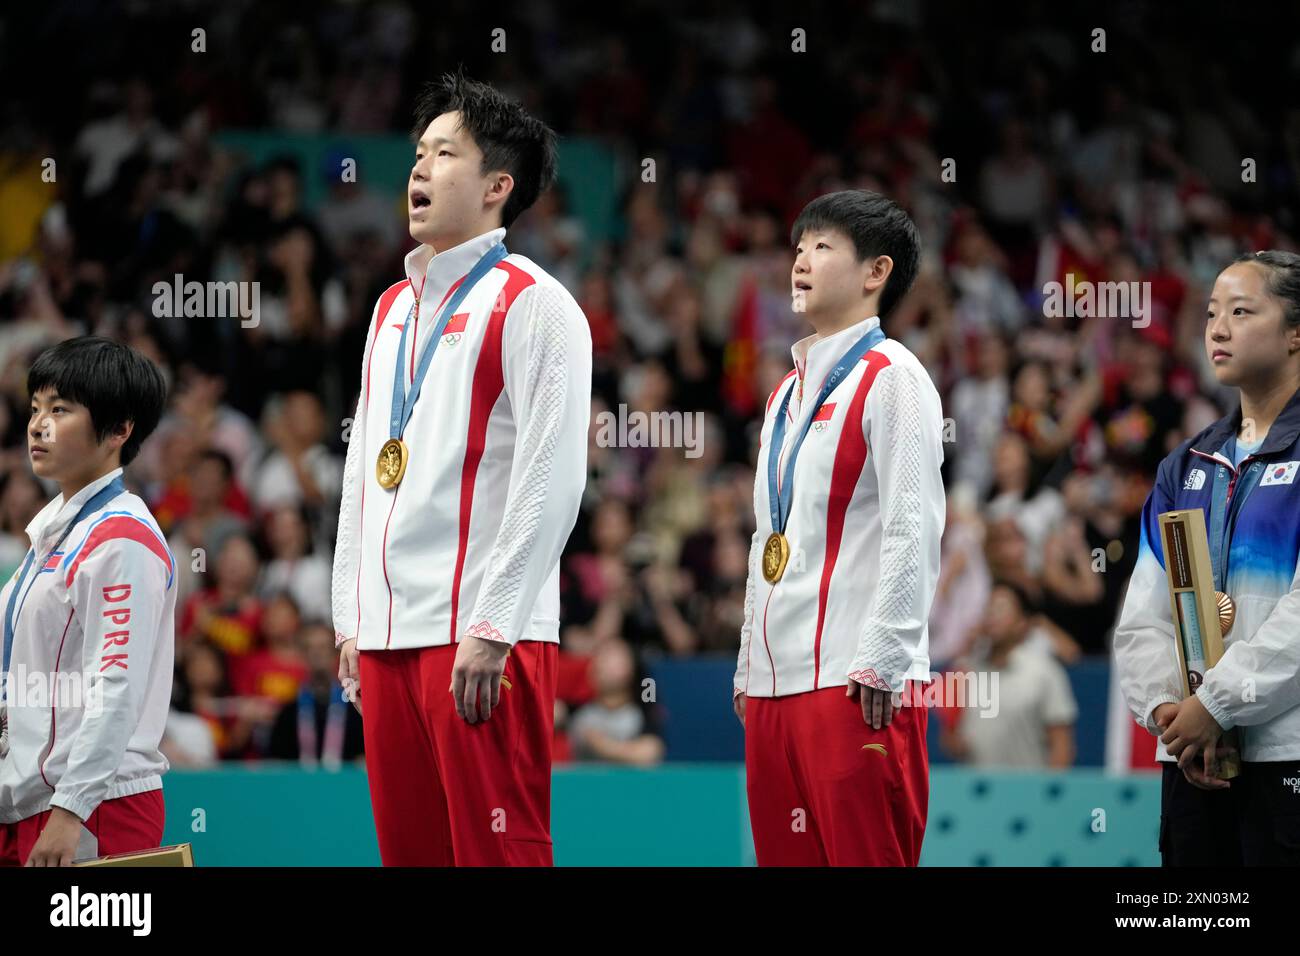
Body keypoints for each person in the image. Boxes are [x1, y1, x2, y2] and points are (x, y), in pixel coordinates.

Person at [331, 71, 592, 866]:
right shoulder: (390, 308)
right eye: (417, 153)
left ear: (496, 187)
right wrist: (351, 615)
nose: (418, 169)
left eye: (444, 154)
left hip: (479, 639)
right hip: (387, 638)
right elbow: (359, 475)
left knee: (497, 854)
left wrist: (493, 622)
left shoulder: (535, 304)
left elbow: (553, 478)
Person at [733, 190, 946, 866]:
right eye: (799, 247)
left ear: (874, 273)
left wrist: (884, 657)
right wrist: (748, 662)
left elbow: (915, 525)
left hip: (853, 683)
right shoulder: (782, 394)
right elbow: (767, 533)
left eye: (822, 246)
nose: (801, 260)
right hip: (775, 686)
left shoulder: (894, 378)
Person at [1113, 250, 1300, 866]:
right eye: (1213, 313)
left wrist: (1215, 704)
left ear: (1296, 332)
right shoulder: (1185, 465)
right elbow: (1145, 613)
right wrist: (1169, 711)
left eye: (1242, 312)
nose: (1216, 329)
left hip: (1285, 757)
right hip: (1191, 761)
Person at [0, 336, 173, 866]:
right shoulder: (56, 535)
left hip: (95, 808)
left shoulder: (121, 538)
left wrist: (72, 809)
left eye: (60, 409)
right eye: (35, 409)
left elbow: (114, 686)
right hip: (29, 801)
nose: (38, 425)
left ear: (119, 430)